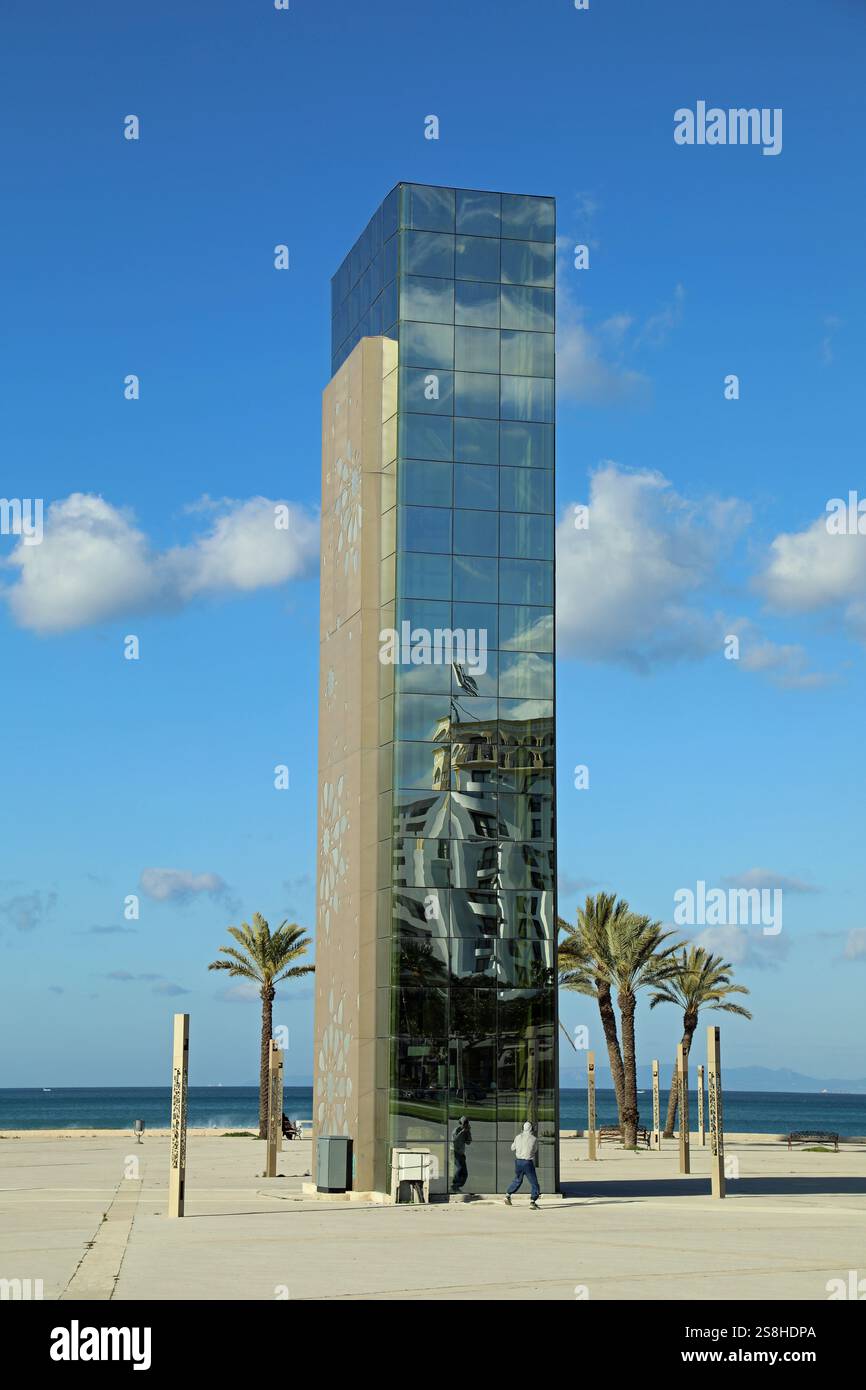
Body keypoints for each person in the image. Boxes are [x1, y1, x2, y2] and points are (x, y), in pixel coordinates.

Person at [504, 1121, 540, 1208]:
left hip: (518, 1162)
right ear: (531, 1129)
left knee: (517, 1180)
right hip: (528, 1162)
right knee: (534, 1183)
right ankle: (532, 1201)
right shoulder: (534, 1139)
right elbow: (535, 1150)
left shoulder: (518, 1137)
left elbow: (512, 1148)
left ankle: (508, 1195)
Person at [451, 1116, 472, 1192]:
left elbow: (468, 1142)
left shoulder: (466, 1131)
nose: (465, 1125)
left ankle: (457, 1186)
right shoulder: (456, 1130)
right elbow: (455, 1141)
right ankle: (454, 1185)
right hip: (454, 1152)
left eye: (466, 1124)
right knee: (460, 1168)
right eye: (464, 1124)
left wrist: (468, 1132)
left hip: (461, 1153)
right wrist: (462, 1132)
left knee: (465, 1173)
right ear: (461, 1124)